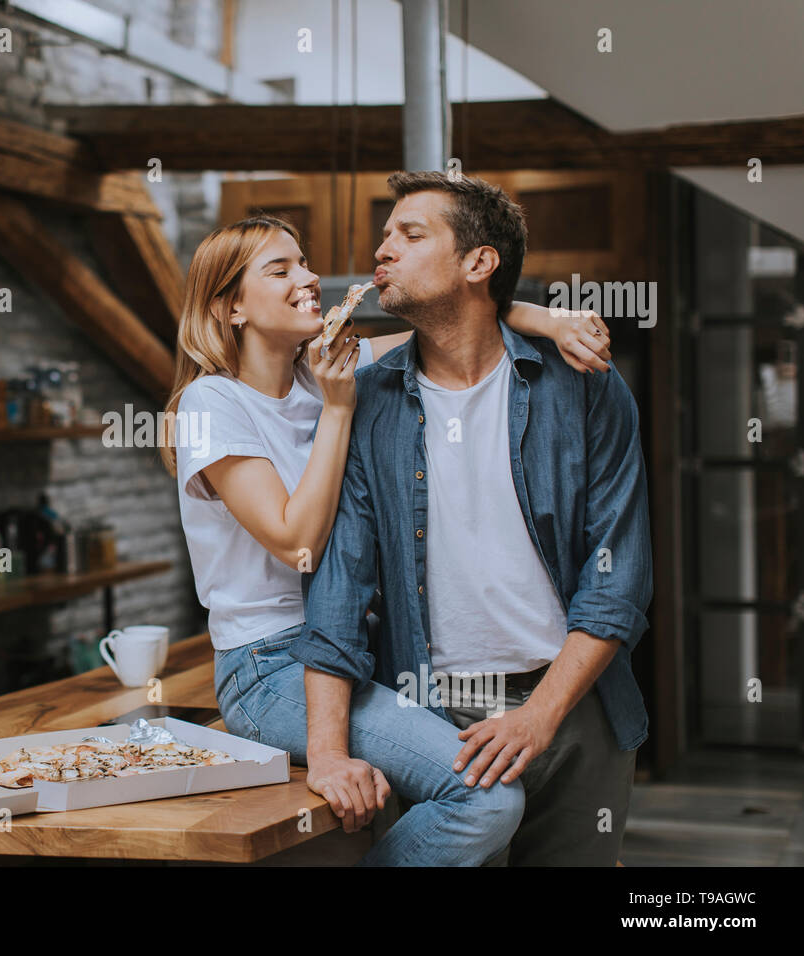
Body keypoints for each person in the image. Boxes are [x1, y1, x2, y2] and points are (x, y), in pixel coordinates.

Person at [163, 214, 614, 864]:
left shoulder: (322, 373)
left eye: (304, 262)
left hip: (351, 653)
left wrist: (554, 320)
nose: (310, 277)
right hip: (272, 668)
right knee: (484, 799)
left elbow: (457, 323)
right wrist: (341, 410)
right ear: (229, 306)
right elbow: (298, 542)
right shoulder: (214, 403)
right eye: (280, 268)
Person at [293, 172, 652, 866]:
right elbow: (339, 587)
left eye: (410, 233)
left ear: (478, 263)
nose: (383, 248)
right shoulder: (363, 399)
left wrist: (539, 716)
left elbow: (620, 579)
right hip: (433, 719)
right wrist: (328, 752)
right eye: (386, 233)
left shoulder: (584, 384)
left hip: (577, 712)